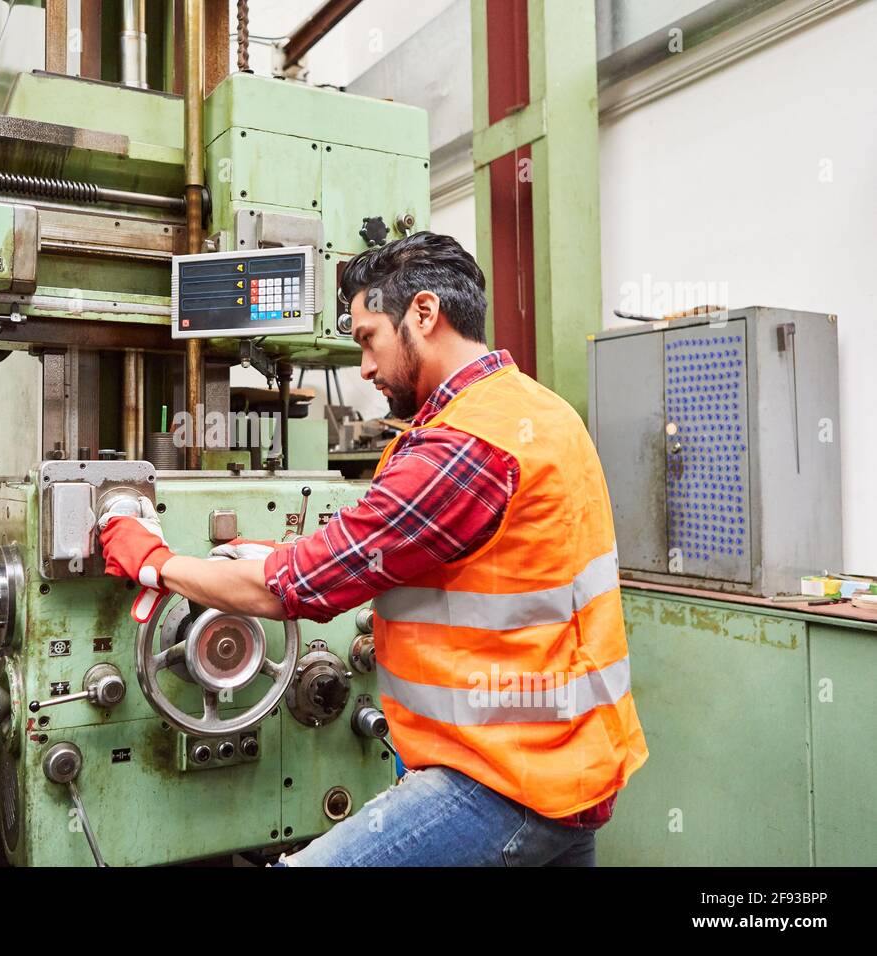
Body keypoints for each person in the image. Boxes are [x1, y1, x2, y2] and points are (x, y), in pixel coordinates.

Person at [98, 232, 647, 866]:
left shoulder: (463, 446)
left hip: (500, 782)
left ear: (422, 313)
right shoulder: (536, 412)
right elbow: (413, 552)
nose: (363, 368)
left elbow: (295, 590)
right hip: (569, 770)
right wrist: (281, 552)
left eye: (367, 338)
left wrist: (156, 562)